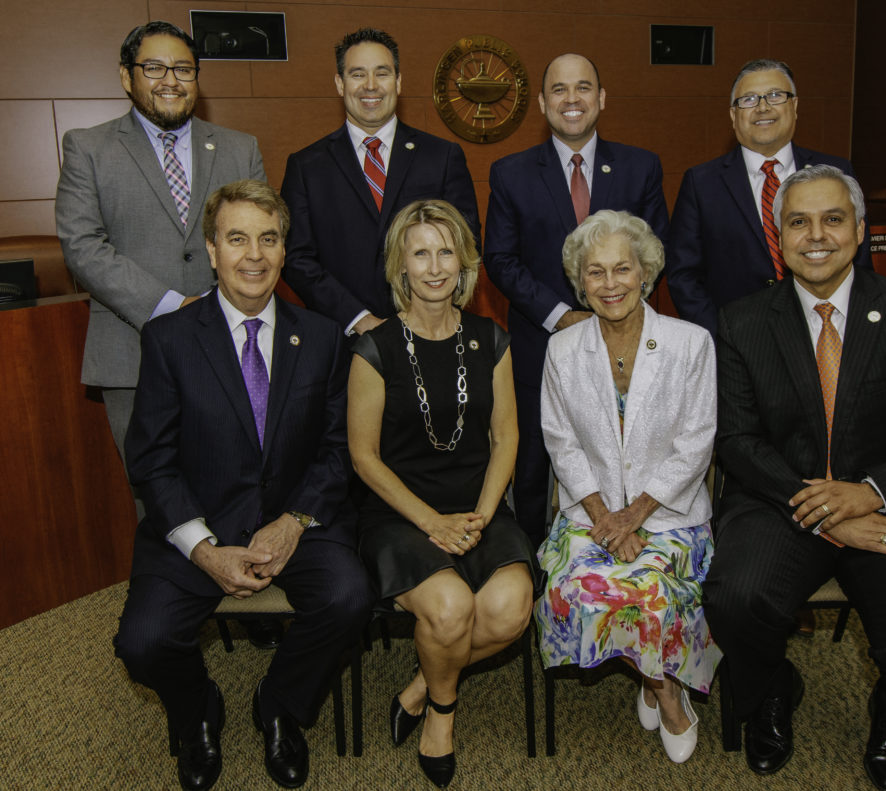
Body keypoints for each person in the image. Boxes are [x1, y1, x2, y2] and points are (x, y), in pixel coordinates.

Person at [705, 165, 886, 791]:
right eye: (798, 222)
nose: (817, 236)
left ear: (861, 229)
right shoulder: (743, 321)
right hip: (784, 503)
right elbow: (738, 440)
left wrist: (870, 493)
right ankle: (775, 688)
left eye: (833, 219)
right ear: (778, 238)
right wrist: (829, 510)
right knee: (734, 600)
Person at [114, 180, 373, 791]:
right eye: (237, 239)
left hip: (297, 522)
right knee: (142, 643)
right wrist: (203, 548)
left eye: (268, 239)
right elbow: (151, 461)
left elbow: (338, 453)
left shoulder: (322, 339)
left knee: (349, 599)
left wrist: (292, 523)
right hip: (198, 521)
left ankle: (280, 704)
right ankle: (198, 711)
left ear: (285, 251)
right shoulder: (169, 339)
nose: (254, 255)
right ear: (211, 250)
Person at [348, 199, 542, 788]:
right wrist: (432, 522)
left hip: (478, 508)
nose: (434, 266)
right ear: (400, 266)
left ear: (463, 262)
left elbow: (507, 437)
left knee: (511, 610)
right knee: (453, 608)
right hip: (400, 514)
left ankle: (421, 684)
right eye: (420, 253)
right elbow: (364, 457)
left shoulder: (492, 338)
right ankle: (441, 712)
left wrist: (483, 515)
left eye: (445, 251)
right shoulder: (373, 349)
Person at [534, 209, 721, 764]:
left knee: (652, 591)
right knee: (577, 588)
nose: (610, 284)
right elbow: (559, 441)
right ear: (580, 281)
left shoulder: (691, 343)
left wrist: (633, 516)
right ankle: (663, 682)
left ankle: (660, 689)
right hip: (589, 515)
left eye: (622, 269)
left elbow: (697, 444)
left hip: (668, 515)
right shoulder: (564, 349)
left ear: (646, 272)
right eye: (596, 272)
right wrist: (603, 517)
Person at [55, 21, 265, 471]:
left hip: (231, 347)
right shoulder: (88, 148)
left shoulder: (240, 148)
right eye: (154, 67)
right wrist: (174, 306)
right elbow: (82, 245)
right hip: (134, 356)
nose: (170, 80)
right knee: (157, 502)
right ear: (126, 76)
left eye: (184, 69)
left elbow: (259, 243)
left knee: (240, 481)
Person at [484, 53, 669, 547]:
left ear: (601, 98)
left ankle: (627, 546)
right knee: (531, 465)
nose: (572, 99)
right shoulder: (510, 173)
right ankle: (526, 566)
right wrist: (562, 316)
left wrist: (615, 311)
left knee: (627, 453)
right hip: (540, 344)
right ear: (543, 103)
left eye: (583, 87)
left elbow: (655, 254)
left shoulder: (641, 166)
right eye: (560, 90)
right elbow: (499, 259)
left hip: (625, 343)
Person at [281, 27, 478, 340]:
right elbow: (296, 259)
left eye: (382, 73)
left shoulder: (442, 157)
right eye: (357, 74)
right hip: (341, 341)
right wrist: (360, 319)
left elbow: (466, 244)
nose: (370, 86)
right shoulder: (306, 166)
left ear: (398, 82)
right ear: (339, 83)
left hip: (432, 334)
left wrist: (420, 317)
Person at [665, 58, 872, 337]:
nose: (763, 107)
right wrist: (721, 338)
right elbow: (684, 276)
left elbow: (859, 261)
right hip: (737, 339)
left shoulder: (836, 172)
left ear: (795, 106)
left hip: (824, 332)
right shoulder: (701, 182)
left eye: (775, 96)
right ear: (733, 114)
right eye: (749, 99)